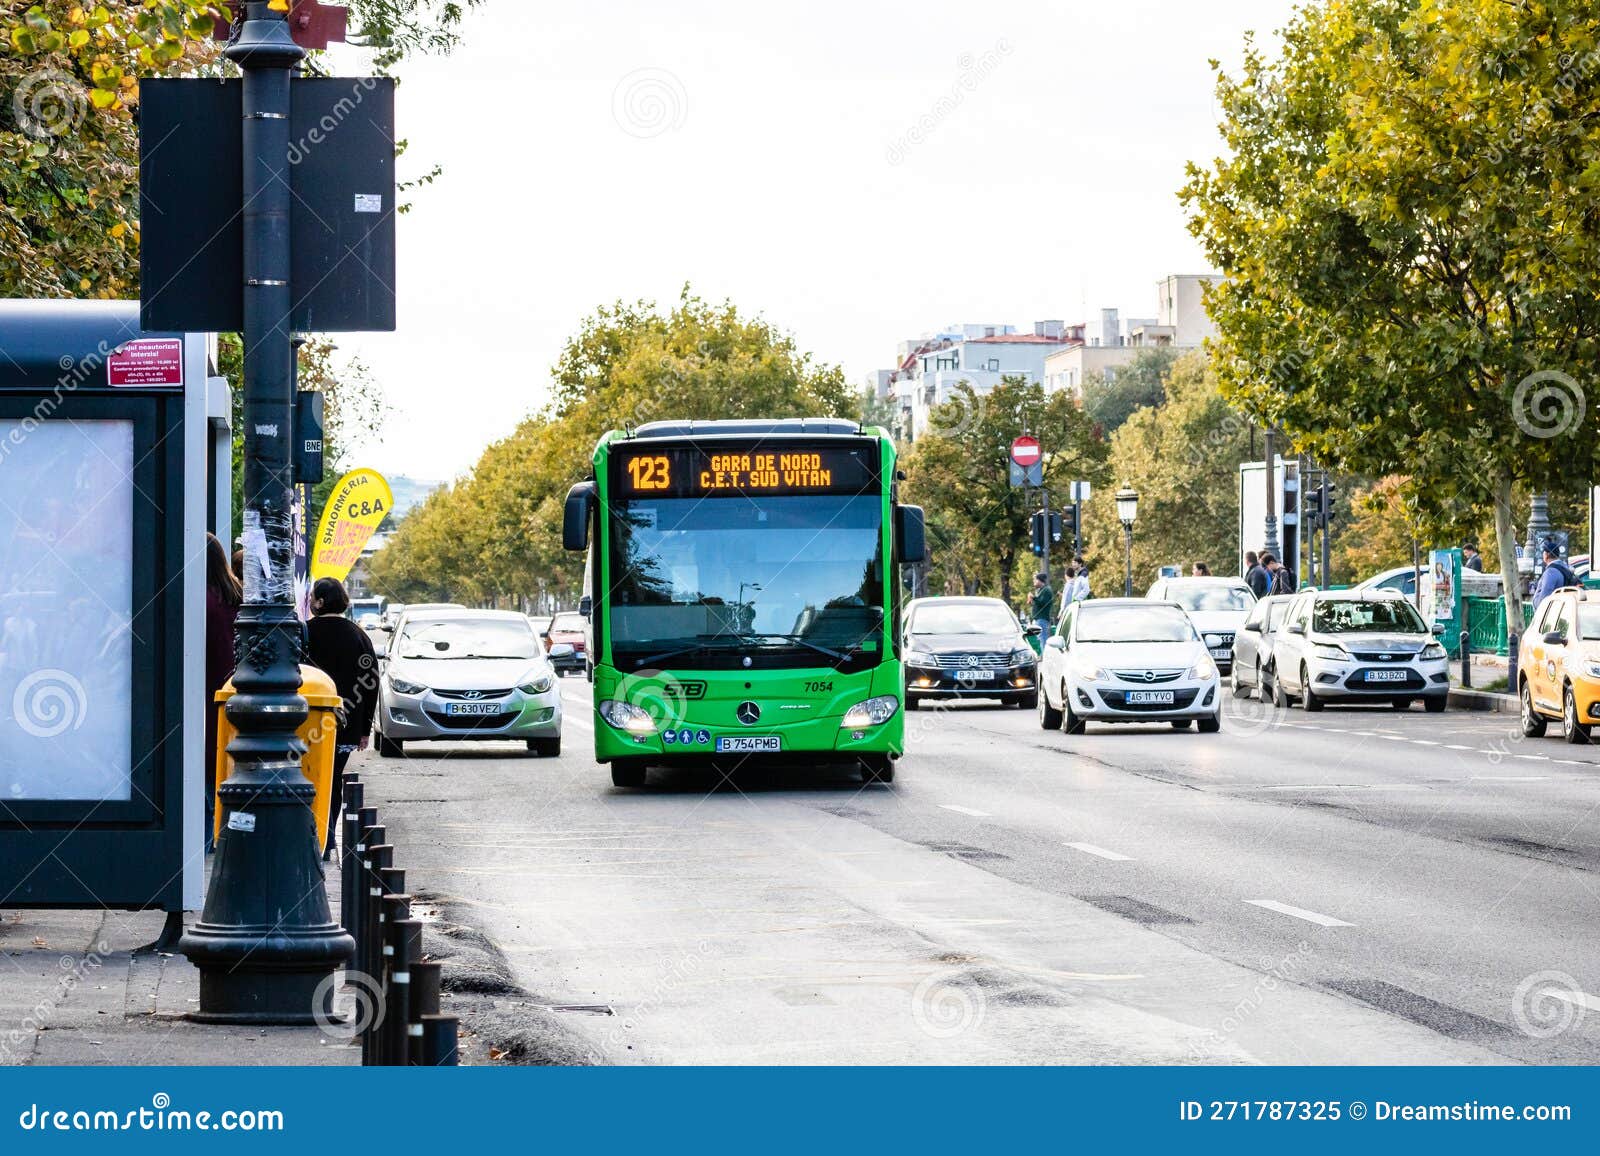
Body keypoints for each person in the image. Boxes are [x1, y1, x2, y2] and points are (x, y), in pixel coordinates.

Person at [305, 577, 379, 859]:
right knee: (333, 779)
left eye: (313, 597)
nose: (310, 602)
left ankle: (310, 834)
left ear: (321, 602)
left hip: (308, 721)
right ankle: (328, 838)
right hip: (345, 725)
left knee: (308, 778)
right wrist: (364, 729)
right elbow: (371, 682)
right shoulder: (358, 635)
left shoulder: (304, 633)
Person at [204, 532, 242, 850]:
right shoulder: (236, 595)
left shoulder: (201, 602)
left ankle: (209, 837)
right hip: (235, 694)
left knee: (205, 770)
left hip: (206, 695)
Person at [1531, 538, 1576, 609]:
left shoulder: (1551, 572)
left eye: (1543, 552)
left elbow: (1544, 598)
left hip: (1551, 613)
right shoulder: (1564, 567)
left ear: (1547, 554)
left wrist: (1537, 606)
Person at [1028, 571, 1054, 637]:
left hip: (1042, 620)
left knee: (1043, 639)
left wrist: (1033, 597)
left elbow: (1043, 603)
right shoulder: (1041, 590)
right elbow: (1038, 603)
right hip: (1039, 620)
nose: (1034, 581)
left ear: (1040, 580)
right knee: (1040, 639)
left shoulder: (1046, 590)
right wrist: (1032, 601)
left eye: (1035, 580)